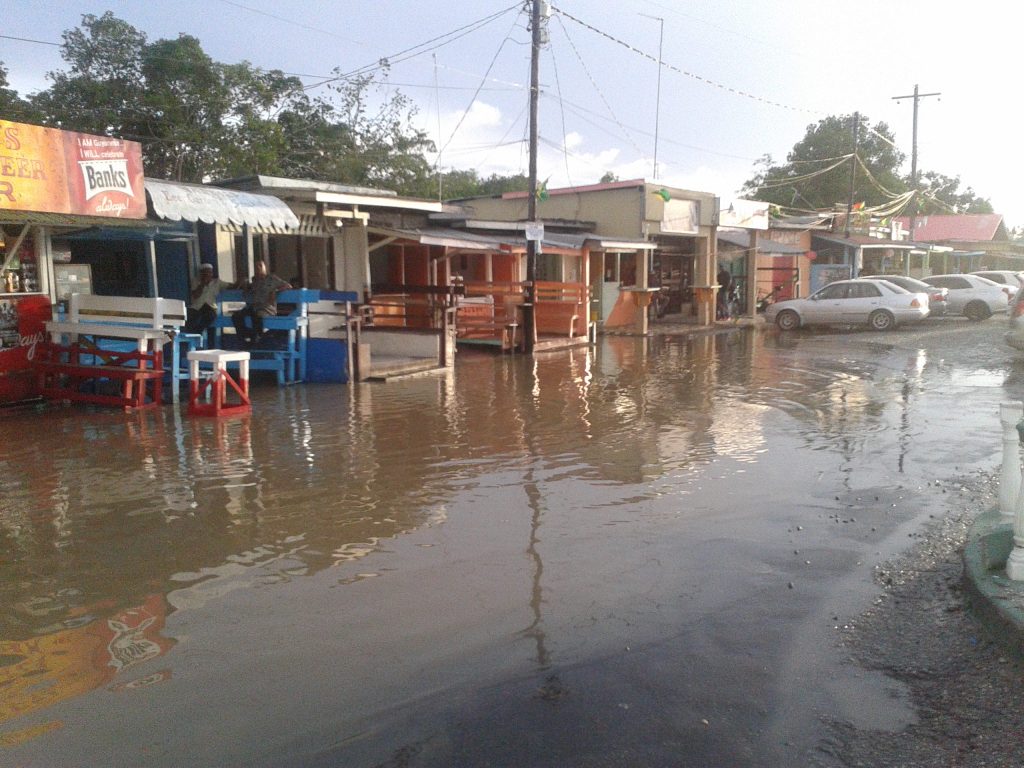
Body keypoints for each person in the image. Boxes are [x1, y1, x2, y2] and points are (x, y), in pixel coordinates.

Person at [232, 260, 290, 346]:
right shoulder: (254, 280)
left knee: (257, 314)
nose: (258, 268)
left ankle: (257, 338)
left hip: (266, 308)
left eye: (260, 266)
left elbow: (288, 285)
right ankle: (244, 337)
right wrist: (245, 286)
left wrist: (275, 290)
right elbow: (249, 290)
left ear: (264, 268)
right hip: (254, 307)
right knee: (236, 316)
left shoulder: (272, 278)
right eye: (256, 267)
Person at [185, 263, 230, 335]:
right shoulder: (196, 281)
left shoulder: (217, 282)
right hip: (197, 307)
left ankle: (197, 333)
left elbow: (230, 286)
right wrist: (202, 284)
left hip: (210, 308)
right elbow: (195, 295)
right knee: (191, 317)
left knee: (209, 316)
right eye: (205, 273)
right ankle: (190, 335)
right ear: (201, 273)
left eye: (210, 272)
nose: (208, 274)